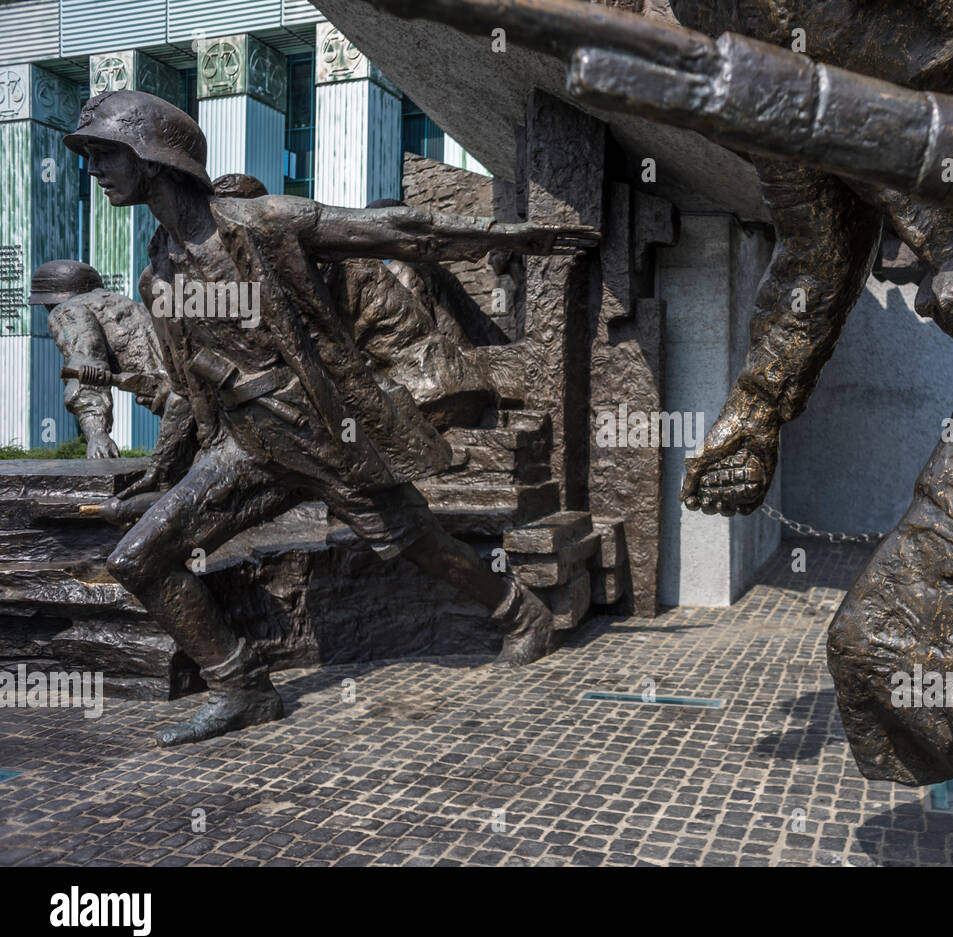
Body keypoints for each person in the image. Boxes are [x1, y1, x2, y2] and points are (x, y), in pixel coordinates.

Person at [64, 89, 596, 746]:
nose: (95, 170)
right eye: (87, 157)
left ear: (152, 157)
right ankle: (244, 688)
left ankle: (520, 611)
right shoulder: (159, 274)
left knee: (420, 545)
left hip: (325, 435)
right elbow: (188, 386)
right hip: (248, 446)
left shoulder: (262, 222)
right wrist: (167, 470)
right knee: (139, 557)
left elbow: (398, 231)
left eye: (103, 154)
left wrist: (516, 236)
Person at [28, 260, 165, 459]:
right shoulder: (126, 305)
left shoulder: (67, 310)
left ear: (50, 302)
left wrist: (96, 433)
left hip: (178, 401)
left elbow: (86, 367)